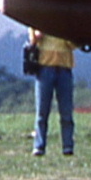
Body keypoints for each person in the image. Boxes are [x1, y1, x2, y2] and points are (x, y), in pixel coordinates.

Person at [29, 28, 79, 156]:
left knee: (66, 111)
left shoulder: (66, 23)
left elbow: (74, 44)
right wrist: (38, 35)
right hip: (44, 66)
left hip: (64, 66)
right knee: (42, 111)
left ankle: (68, 146)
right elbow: (32, 40)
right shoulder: (37, 20)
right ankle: (39, 146)